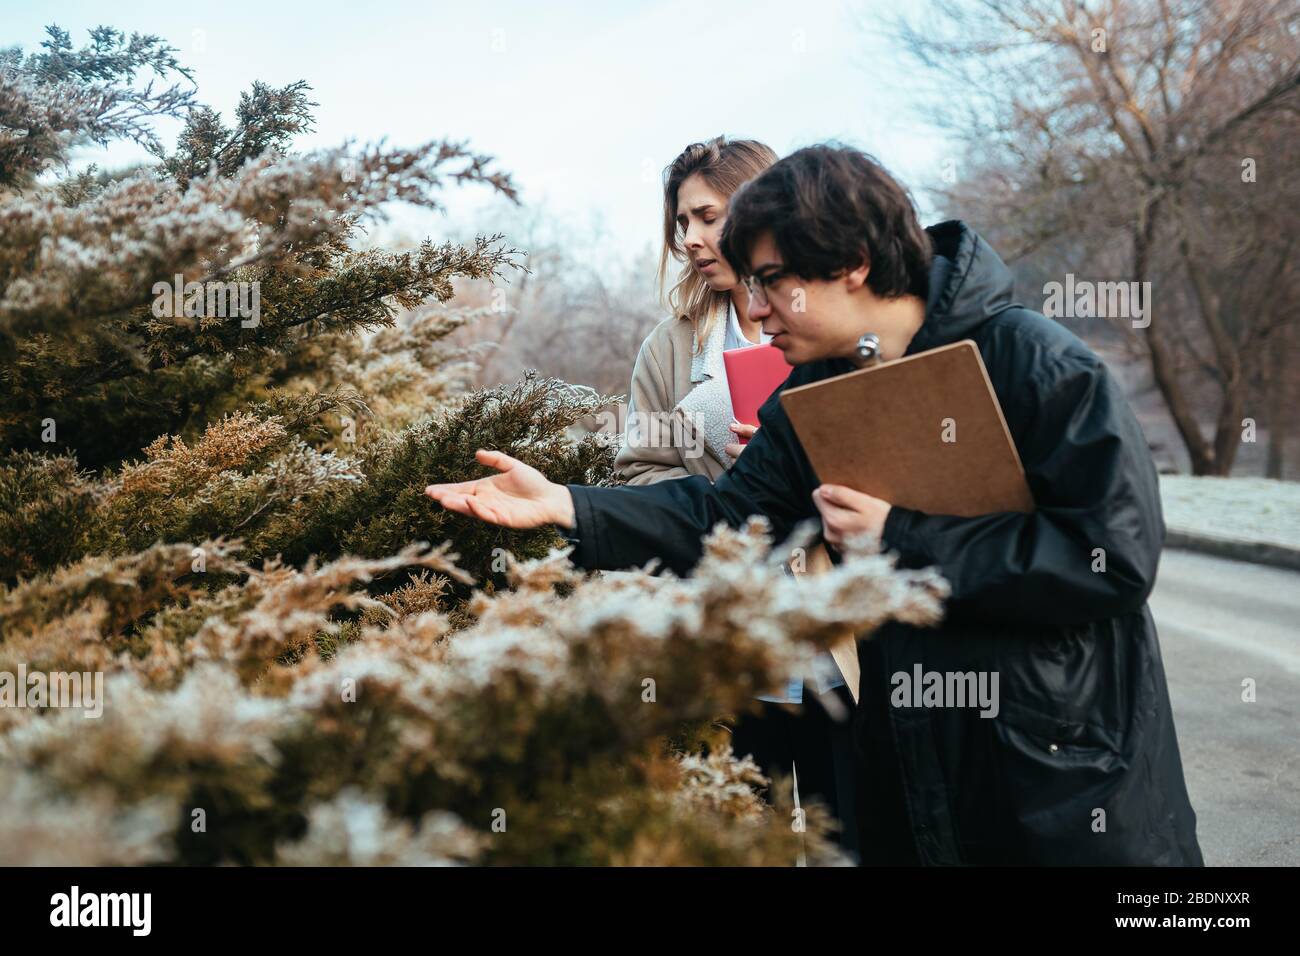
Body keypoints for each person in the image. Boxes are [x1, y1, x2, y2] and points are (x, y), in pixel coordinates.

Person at [426, 144, 1204, 866]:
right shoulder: (817, 391)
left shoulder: (1037, 362)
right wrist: (568, 506)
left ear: (854, 265)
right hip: (905, 760)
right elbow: (729, 523)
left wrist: (901, 537)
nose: (755, 310)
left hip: (1062, 776)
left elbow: (1113, 556)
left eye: (769, 282)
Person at [616, 135, 859, 854]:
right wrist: (729, 487)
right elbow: (635, 473)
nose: (690, 239)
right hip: (730, 647)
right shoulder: (669, 348)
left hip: (838, 644)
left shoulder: (832, 325)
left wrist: (802, 468)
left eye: (707, 216)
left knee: (845, 837)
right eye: (680, 224)